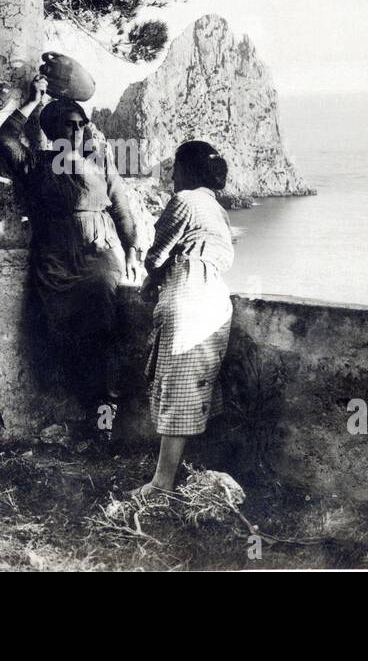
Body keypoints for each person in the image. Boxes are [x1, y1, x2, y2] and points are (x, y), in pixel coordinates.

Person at [0, 74, 143, 427]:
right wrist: (32, 103)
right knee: (59, 334)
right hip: (55, 257)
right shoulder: (37, 164)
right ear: (52, 129)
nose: (76, 130)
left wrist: (134, 252)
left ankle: (104, 418)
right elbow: (5, 138)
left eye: (81, 124)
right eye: (68, 124)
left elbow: (122, 208)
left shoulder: (101, 163)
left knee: (102, 327)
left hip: (98, 252)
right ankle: (74, 411)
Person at [131, 140, 235, 498]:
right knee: (198, 387)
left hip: (189, 294)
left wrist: (151, 275)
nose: (172, 177)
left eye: (174, 170)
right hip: (215, 298)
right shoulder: (217, 209)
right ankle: (196, 472)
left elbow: (156, 255)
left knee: (176, 388)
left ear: (186, 170)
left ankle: (161, 484)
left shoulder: (186, 201)